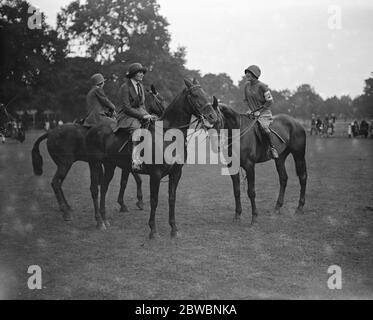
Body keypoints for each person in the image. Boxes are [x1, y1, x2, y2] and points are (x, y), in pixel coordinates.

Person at [114, 63, 156, 170]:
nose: (142, 74)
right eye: (140, 72)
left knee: (154, 125)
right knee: (137, 130)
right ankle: (135, 161)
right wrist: (142, 116)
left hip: (138, 114)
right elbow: (127, 108)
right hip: (126, 116)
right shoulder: (125, 87)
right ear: (133, 74)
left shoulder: (140, 86)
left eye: (143, 72)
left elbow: (141, 105)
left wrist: (148, 115)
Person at [243, 65, 278, 158]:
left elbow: (270, 101)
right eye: (246, 72)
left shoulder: (262, 86)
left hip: (264, 113)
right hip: (252, 113)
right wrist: (249, 109)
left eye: (249, 73)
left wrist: (260, 111)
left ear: (255, 74)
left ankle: (272, 148)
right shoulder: (246, 86)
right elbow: (246, 100)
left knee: (264, 128)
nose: (247, 74)